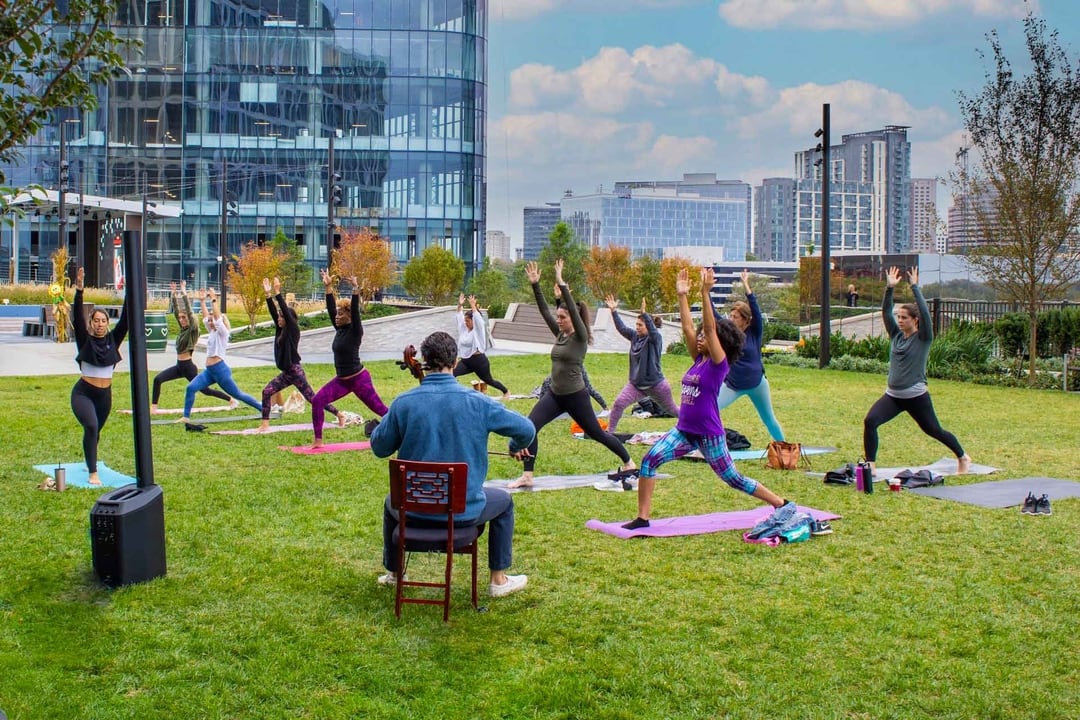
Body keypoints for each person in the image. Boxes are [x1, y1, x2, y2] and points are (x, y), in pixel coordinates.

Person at [622, 267, 798, 533]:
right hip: (684, 431)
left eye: (705, 337)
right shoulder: (698, 359)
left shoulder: (718, 364)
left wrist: (705, 292)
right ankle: (642, 517)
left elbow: (711, 329)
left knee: (733, 479)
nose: (700, 338)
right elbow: (687, 327)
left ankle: (780, 502)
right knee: (649, 460)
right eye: (701, 337)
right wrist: (682, 296)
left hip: (708, 434)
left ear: (720, 343)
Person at [370, 330, 535, 597]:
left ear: (423, 360)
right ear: (455, 362)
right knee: (503, 503)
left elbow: (379, 447)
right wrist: (515, 447)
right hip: (463, 512)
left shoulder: (404, 403)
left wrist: (384, 427)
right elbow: (526, 429)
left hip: (412, 510)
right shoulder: (478, 402)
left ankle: (394, 573)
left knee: (392, 501)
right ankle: (498, 580)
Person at [507, 259, 635, 489]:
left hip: (576, 396)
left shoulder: (580, 336)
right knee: (530, 427)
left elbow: (573, 315)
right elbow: (545, 311)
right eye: (559, 317)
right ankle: (527, 475)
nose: (558, 320)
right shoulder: (560, 334)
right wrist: (536, 285)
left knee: (596, 432)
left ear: (572, 319)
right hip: (555, 394)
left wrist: (562, 284)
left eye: (563, 317)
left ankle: (628, 461)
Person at [863, 267, 971, 475]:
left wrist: (914, 287)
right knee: (871, 421)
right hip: (893, 396)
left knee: (934, 430)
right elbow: (886, 312)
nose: (900, 320)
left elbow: (925, 315)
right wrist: (890, 288)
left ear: (915, 320)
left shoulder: (923, 338)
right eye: (899, 317)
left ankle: (962, 456)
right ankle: (871, 465)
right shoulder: (896, 335)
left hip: (916, 396)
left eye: (904, 317)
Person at [309, 269, 388, 448]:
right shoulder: (340, 330)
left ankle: (404, 430)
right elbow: (330, 310)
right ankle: (318, 441)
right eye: (336, 315)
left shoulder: (355, 331)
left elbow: (356, 313)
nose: (336, 317)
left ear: (349, 316)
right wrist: (328, 287)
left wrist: (355, 289)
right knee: (317, 400)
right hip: (342, 381)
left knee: (381, 409)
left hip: (359, 380)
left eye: (340, 314)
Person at [257, 276, 343, 433]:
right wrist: (268, 295)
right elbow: (273, 312)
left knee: (313, 399)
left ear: (288, 319)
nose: (279, 318)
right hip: (287, 372)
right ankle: (265, 424)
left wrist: (277, 293)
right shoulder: (280, 329)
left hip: (295, 372)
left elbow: (285, 313)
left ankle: (339, 414)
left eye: (281, 316)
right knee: (266, 391)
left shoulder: (292, 330)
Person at [71, 267, 129, 486]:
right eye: (96, 320)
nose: (99, 324)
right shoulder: (85, 340)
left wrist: (130, 291)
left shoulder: (113, 340)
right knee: (92, 426)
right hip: (83, 392)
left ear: (107, 323)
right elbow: (77, 317)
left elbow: (125, 320)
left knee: (96, 432)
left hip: (105, 395)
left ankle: (89, 458)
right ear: (91, 323)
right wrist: (79, 290)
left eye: (103, 321)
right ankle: (93, 473)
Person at [717, 269, 785, 442]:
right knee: (711, 410)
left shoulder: (754, 332)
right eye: (730, 316)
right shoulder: (728, 332)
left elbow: (755, 309)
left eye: (735, 317)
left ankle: (784, 448)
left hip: (757, 383)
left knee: (769, 419)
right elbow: (713, 316)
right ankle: (708, 443)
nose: (731, 319)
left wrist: (746, 285)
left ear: (746, 320)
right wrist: (705, 292)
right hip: (733, 385)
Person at [178, 287, 262, 423]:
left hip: (220, 370)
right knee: (191, 388)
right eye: (210, 321)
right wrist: (202, 301)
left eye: (213, 320)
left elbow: (217, 318)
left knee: (238, 394)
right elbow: (207, 318)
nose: (210, 322)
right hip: (210, 371)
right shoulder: (212, 332)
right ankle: (186, 417)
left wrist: (214, 300)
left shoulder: (223, 332)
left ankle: (262, 408)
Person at [151, 281, 236, 413]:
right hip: (179, 366)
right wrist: (173, 294)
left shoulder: (192, 330)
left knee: (205, 391)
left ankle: (230, 399)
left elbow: (189, 312)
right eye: (180, 318)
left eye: (184, 318)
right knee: (158, 379)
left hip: (188, 367)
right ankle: (153, 408)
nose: (181, 320)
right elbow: (176, 312)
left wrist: (184, 292)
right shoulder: (183, 329)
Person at [603, 295, 679, 433]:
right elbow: (622, 328)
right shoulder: (635, 337)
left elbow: (653, 331)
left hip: (657, 385)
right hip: (636, 385)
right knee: (619, 403)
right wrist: (614, 311)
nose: (637, 327)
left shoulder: (654, 339)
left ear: (648, 326)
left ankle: (693, 425)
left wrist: (644, 313)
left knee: (672, 410)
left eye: (640, 325)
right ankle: (610, 431)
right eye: (636, 324)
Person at [453, 293, 510, 400]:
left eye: (468, 321)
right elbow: (459, 316)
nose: (465, 323)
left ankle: (506, 391)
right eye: (465, 321)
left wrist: (473, 306)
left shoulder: (478, 330)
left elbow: (478, 319)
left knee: (489, 380)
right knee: (452, 374)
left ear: (473, 321)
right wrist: (459, 305)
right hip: (466, 361)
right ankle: (456, 395)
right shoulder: (464, 329)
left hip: (479, 361)